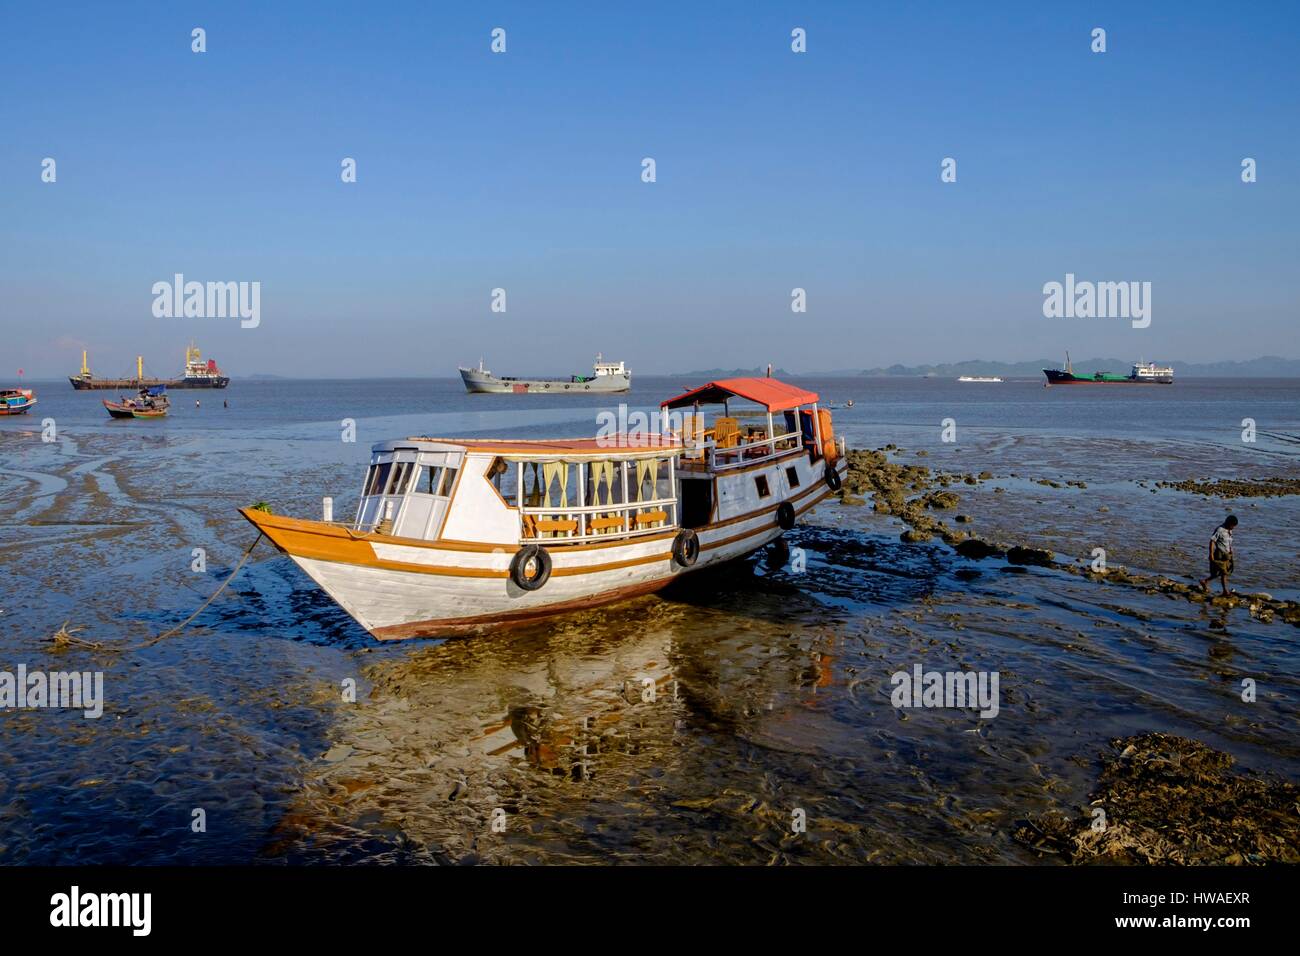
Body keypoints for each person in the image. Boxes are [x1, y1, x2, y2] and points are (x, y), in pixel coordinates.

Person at [1199, 515, 1238, 596]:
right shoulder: (1220, 530)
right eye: (1233, 526)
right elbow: (1212, 541)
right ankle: (1225, 591)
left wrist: (1231, 550)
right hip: (1220, 554)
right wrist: (1211, 554)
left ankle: (1205, 581)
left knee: (1217, 574)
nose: (1233, 528)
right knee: (1224, 573)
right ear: (1228, 523)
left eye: (1234, 526)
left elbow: (1228, 542)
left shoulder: (1229, 530)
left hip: (1227, 555)